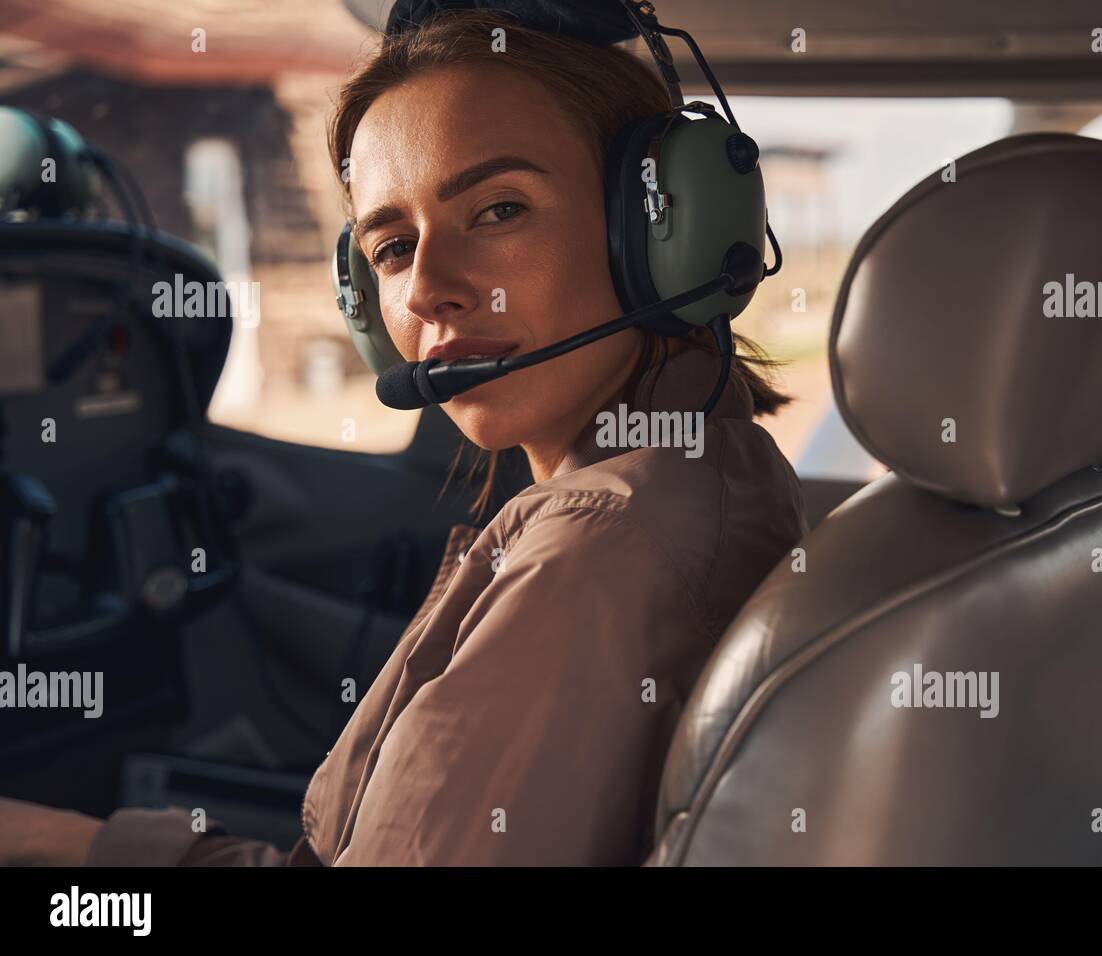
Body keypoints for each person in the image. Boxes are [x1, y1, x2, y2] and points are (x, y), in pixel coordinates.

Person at [0, 9, 807, 866]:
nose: (426, 291)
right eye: (390, 248)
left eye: (499, 209)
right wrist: (73, 842)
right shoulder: (710, 472)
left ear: (662, 233)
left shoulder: (599, 547)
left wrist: (61, 858)